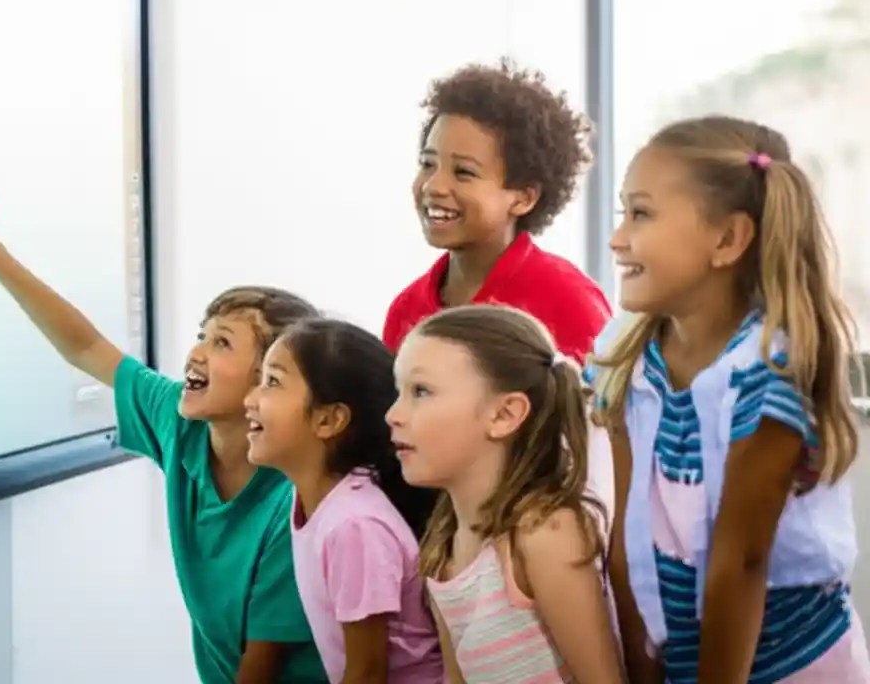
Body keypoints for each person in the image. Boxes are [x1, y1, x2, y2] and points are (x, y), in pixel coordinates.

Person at [0, 172, 327, 683]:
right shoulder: (180, 422)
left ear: (267, 381)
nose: (195, 353)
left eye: (222, 344)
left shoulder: (292, 502)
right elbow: (85, 347)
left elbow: (260, 667)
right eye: (201, 335)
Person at [592, 115, 870, 683]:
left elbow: (739, 564)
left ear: (727, 240)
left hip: (795, 667)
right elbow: (627, 542)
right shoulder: (627, 363)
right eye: (623, 212)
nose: (618, 237)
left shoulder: (767, 377)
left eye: (640, 213)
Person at [389, 305, 623, 683]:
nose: (393, 414)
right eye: (397, 391)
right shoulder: (442, 546)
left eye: (420, 391)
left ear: (504, 415)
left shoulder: (544, 533)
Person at [243, 318, 443, 683]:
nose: (250, 399)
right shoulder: (316, 502)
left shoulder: (354, 525)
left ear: (328, 419)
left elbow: (367, 673)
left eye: (272, 382)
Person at [383, 59, 611, 364]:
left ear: (524, 198)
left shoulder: (568, 301)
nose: (434, 186)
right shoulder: (406, 310)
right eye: (428, 164)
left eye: (463, 172)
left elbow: (604, 406)